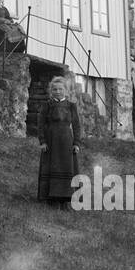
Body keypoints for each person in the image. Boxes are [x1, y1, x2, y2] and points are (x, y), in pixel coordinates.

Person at [37, 77, 82, 207]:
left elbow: (77, 126)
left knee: (67, 168)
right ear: (51, 91)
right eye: (55, 89)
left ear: (66, 91)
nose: (57, 91)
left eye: (60, 89)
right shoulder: (47, 105)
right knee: (51, 167)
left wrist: (76, 143)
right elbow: (40, 125)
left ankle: (66, 200)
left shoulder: (71, 106)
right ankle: (52, 199)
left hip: (67, 141)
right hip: (51, 142)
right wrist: (43, 141)